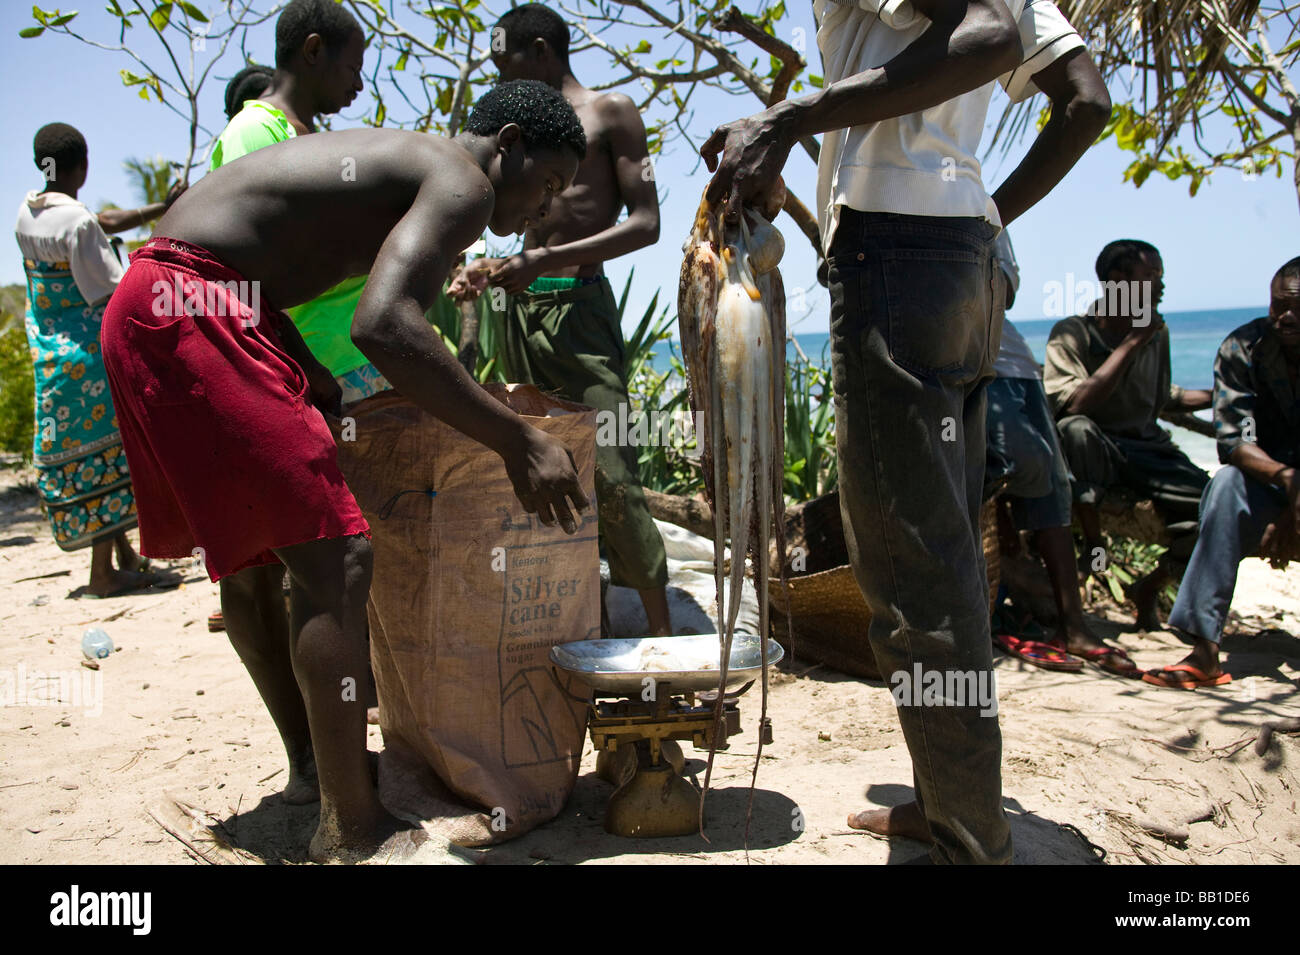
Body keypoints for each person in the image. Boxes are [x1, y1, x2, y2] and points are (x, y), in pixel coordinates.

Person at [100, 80, 590, 862]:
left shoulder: (425, 171)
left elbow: (355, 311)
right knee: (338, 555)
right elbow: (383, 325)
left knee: (283, 555)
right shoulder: (460, 181)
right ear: (510, 145)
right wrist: (518, 440)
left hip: (182, 298)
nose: (548, 207)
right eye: (550, 183)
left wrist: (312, 382)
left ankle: (324, 778)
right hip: (189, 301)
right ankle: (350, 830)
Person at [701, 0, 1111, 863]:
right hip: (963, 260)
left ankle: (971, 835)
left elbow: (988, 38)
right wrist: (985, 209)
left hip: (892, 257)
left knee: (910, 567)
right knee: (945, 548)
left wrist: (790, 117)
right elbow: (1085, 99)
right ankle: (952, 801)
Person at [449, 5, 672, 636]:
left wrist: (545, 257)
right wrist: (485, 267)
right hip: (515, 311)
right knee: (543, 473)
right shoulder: (511, 132)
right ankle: (587, 628)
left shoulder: (611, 112)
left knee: (616, 476)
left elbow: (646, 224)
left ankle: (660, 636)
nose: (497, 77)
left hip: (580, 312)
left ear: (543, 50)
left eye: (505, 62)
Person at [14, 123, 179, 597]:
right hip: (88, 354)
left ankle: (125, 556)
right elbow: (110, 289)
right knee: (110, 451)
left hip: (50, 351)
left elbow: (95, 222)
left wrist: (155, 208)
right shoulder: (79, 223)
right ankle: (103, 574)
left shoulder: (27, 212)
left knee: (92, 451)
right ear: (83, 166)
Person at [986, 231, 1138, 676]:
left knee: (1053, 486)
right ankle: (988, 609)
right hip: (960, 363)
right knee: (1001, 471)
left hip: (1011, 363)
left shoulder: (980, 204)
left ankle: (1072, 624)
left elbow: (1004, 292)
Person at [1143, 258, 1300, 688]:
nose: (1284, 317)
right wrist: (1287, 481)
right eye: (1276, 306)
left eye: (1296, 309)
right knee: (1226, 484)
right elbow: (1234, 442)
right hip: (1268, 489)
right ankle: (1205, 652)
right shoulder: (1243, 348)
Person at [1044, 239, 1213, 629]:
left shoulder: (1159, 333)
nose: (1161, 286)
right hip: (1099, 453)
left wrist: (1222, 395)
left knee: (1213, 508)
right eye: (1152, 276)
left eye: (1161, 277)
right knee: (1076, 428)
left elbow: (1162, 396)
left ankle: (1150, 586)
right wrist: (1134, 342)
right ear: (1118, 281)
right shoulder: (1073, 333)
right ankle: (1092, 539)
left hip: (1149, 453)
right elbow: (1073, 404)